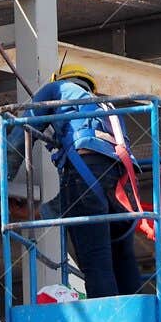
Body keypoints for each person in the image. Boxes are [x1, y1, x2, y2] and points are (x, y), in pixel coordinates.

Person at [30, 64, 143, 298]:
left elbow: (24, 126)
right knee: (122, 255)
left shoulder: (56, 89)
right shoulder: (104, 107)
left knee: (96, 259)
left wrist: (3, 174)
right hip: (122, 181)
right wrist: (43, 212)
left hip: (85, 172)